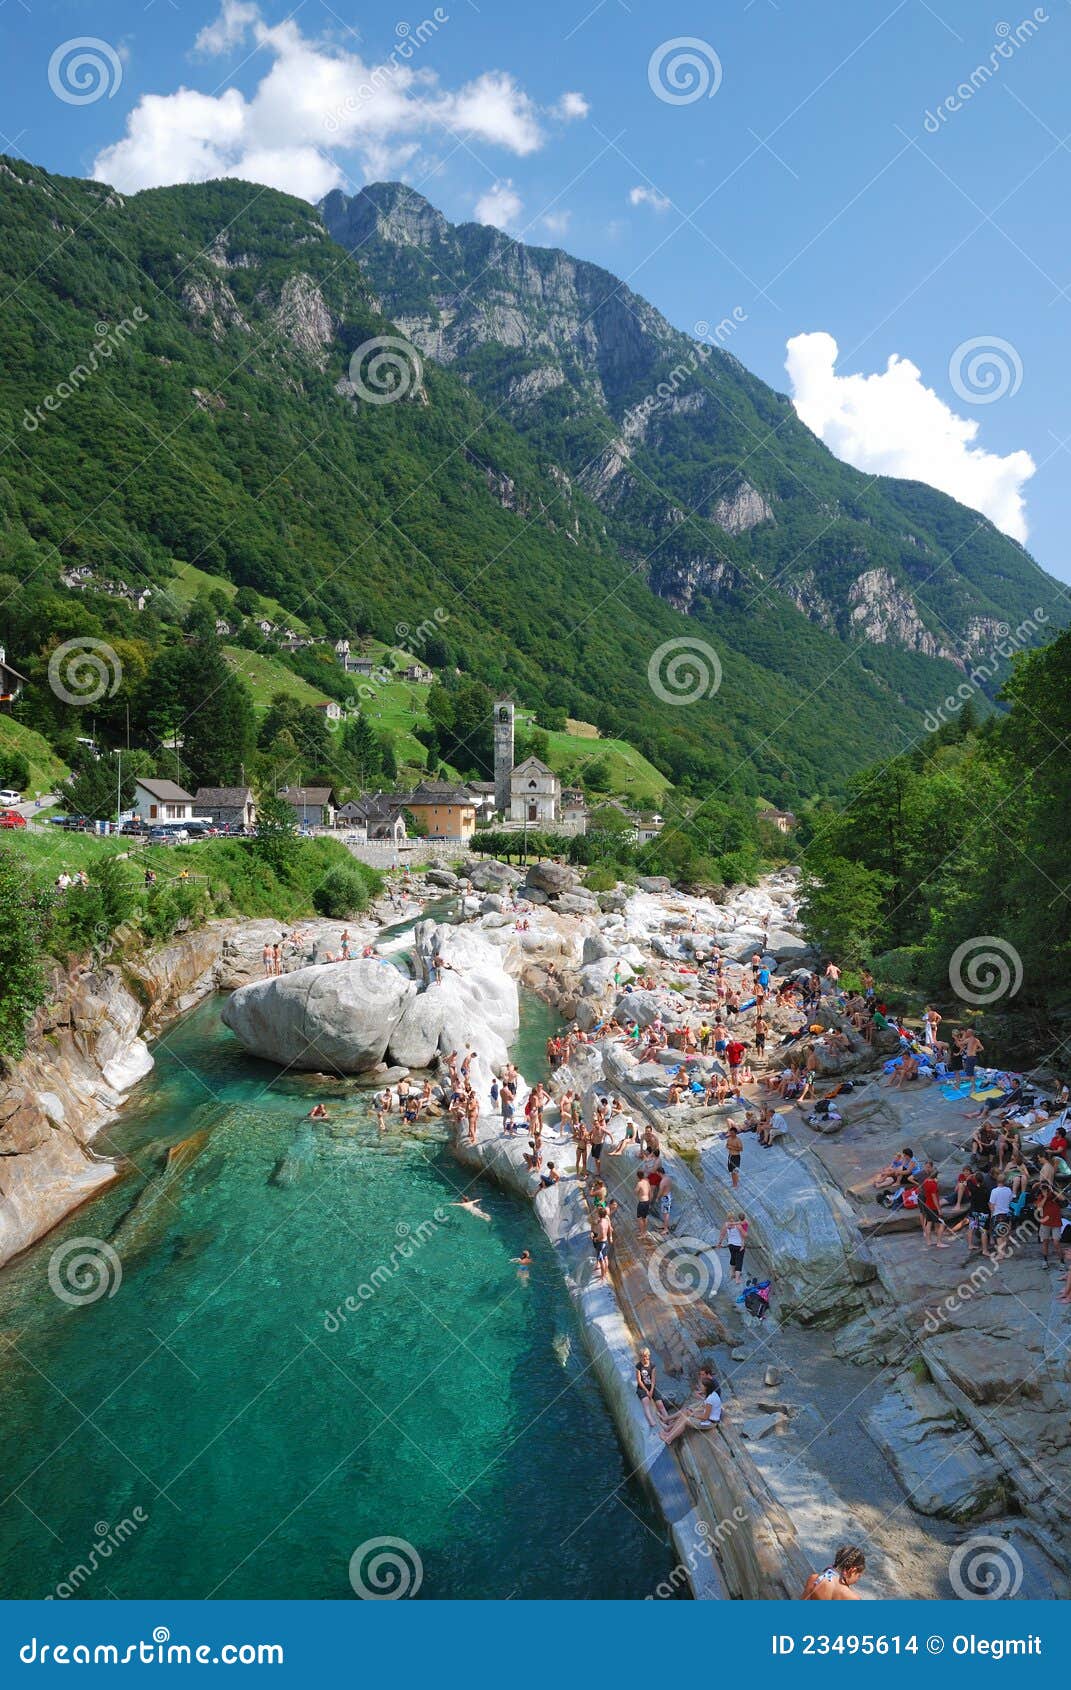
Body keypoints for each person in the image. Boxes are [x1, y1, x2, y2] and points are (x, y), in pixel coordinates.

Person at [659, 1379, 723, 1443]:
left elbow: (705, 1417)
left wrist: (693, 1414)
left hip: (710, 1422)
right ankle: (668, 1430)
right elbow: (704, 1407)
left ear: (706, 1387)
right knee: (685, 1410)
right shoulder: (711, 1393)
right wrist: (693, 1411)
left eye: (701, 1386)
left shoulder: (710, 1399)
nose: (700, 1387)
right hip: (706, 1416)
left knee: (685, 1419)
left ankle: (669, 1439)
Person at [800, 1545, 866, 1600]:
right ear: (852, 1571)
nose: (857, 1580)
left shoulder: (814, 1579)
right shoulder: (853, 1598)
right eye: (859, 1575)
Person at [635, 1348, 669, 1429]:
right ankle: (651, 1421)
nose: (645, 1358)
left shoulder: (652, 1365)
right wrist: (646, 1391)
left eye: (646, 1356)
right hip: (642, 1388)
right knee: (646, 1402)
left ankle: (668, 1419)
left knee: (660, 1404)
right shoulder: (638, 1366)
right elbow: (639, 1381)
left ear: (649, 1356)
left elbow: (653, 1379)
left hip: (652, 1387)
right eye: (643, 1356)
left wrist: (651, 1390)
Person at [718, 1213, 748, 1283]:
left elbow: (722, 1234)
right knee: (739, 1261)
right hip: (738, 1246)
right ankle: (737, 1279)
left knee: (733, 1258)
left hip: (730, 1245)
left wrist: (719, 1243)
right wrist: (745, 1230)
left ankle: (732, 1273)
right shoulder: (738, 1225)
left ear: (727, 1218)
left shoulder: (726, 1225)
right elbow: (745, 1235)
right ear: (734, 1217)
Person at [989, 1176, 1013, 1262]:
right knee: (1005, 1233)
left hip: (998, 1214)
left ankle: (1000, 1254)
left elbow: (991, 1204)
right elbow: (1010, 1200)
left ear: (997, 1181)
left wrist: (992, 1214)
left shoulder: (994, 1191)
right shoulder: (1008, 1190)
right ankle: (1003, 1251)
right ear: (1005, 1181)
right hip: (1007, 1213)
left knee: (999, 1236)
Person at [635, 1168, 652, 1241]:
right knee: (645, 1217)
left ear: (638, 1176)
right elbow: (650, 1192)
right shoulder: (647, 1182)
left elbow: (635, 1192)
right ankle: (645, 1232)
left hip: (642, 1202)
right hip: (647, 1201)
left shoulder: (639, 1183)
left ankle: (642, 1234)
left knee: (639, 1218)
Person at [726, 1121, 743, 1189]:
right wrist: (728, 1146)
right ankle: (734, 1183)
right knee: (731, 1171)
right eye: (730, 1133)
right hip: (730, 1156)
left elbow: (741, 1149)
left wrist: (732, 1147)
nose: (731, 1134)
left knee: (735, 1171)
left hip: (736, 1156)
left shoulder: (738, 1140)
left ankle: (736, 1185)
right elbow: (727, 1145)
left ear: (735, 1133)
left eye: (732, 1133)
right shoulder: (729, 1139)